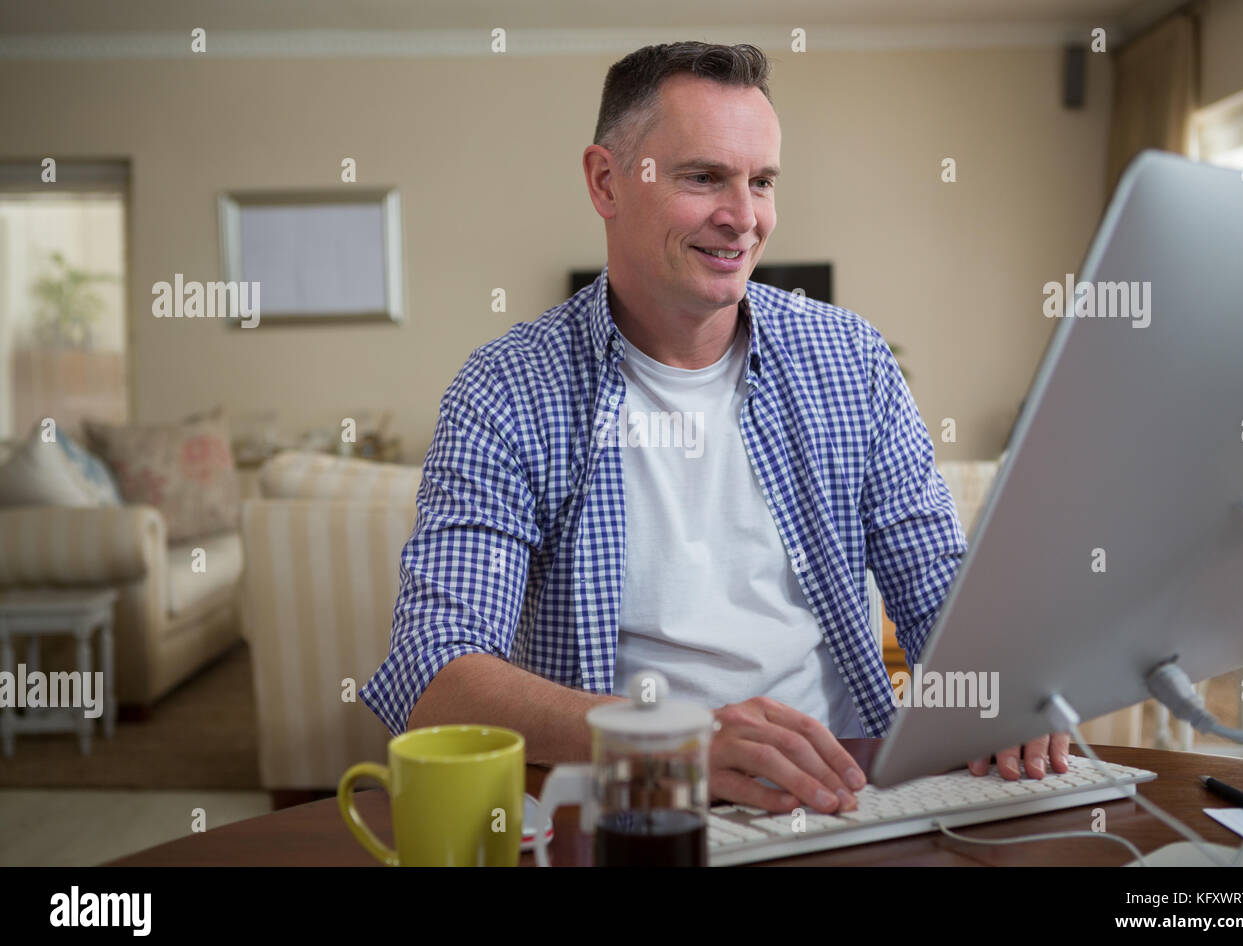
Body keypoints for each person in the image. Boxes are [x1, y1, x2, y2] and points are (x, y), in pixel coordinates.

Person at [361, 41, 1069, 815]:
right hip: (634, 807)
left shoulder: (850, 359)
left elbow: (938, 589)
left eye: (761, 182)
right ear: (606, 181)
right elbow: (437, 675)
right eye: (704, 178)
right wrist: (672, 738)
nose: (743, 219)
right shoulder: (505, 391)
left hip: (846, 796)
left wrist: (1007, 691)